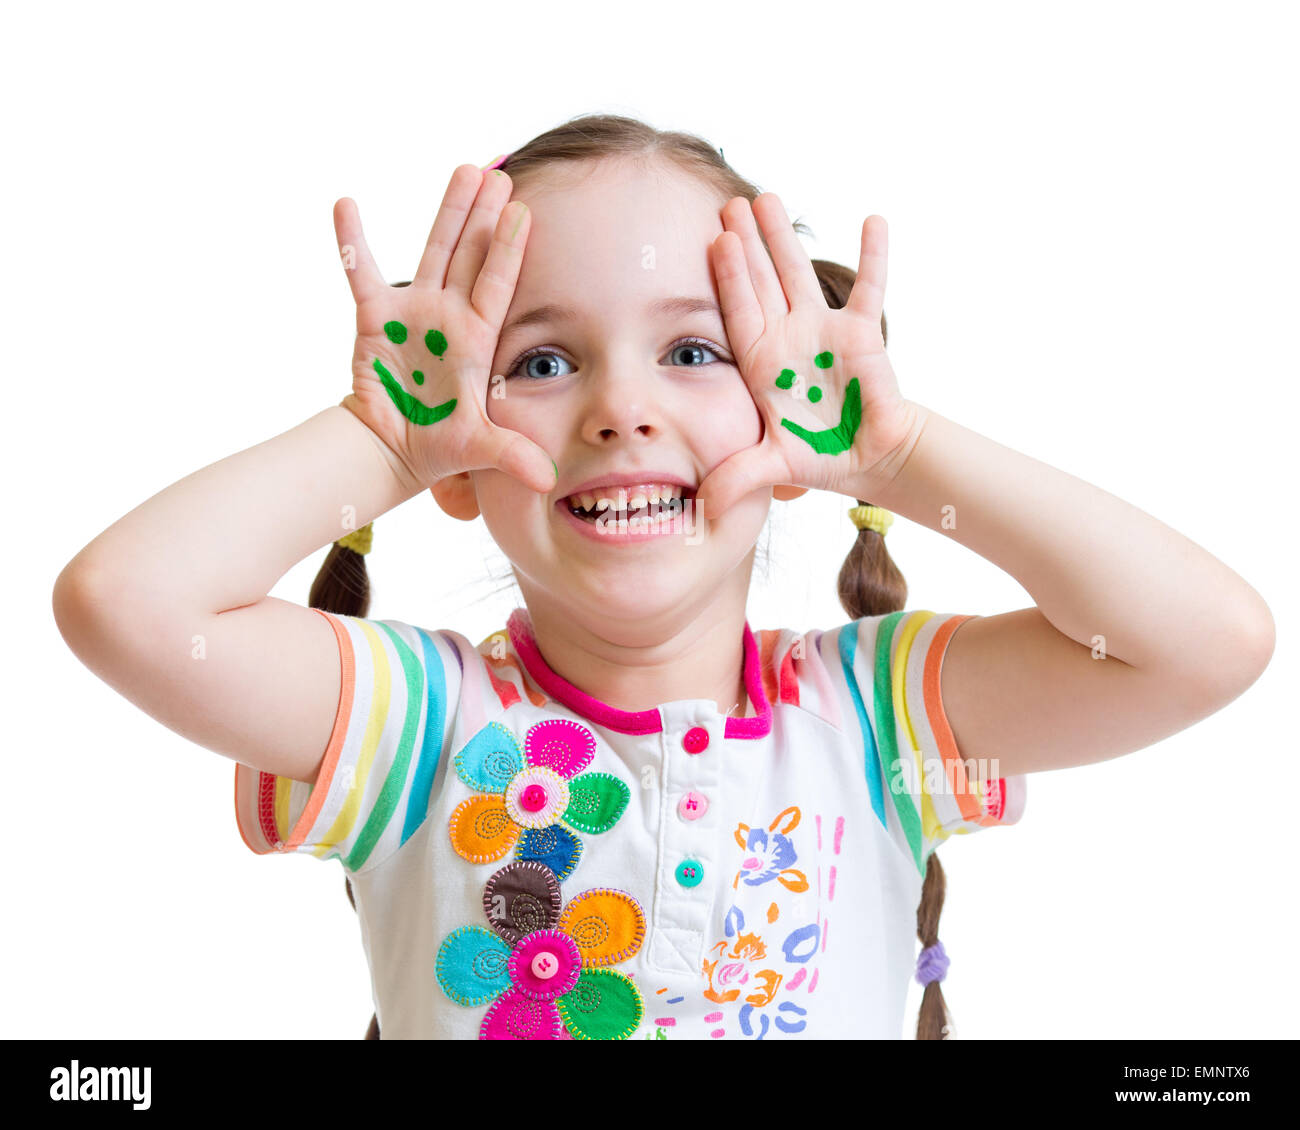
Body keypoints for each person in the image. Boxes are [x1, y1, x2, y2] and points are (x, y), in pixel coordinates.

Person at [52, 113, 1275, 1040]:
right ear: (461, 463)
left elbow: (1205, 642)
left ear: (789, 433)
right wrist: (378, 439)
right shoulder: (410, 724)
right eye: (540, 361)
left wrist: (896, 455)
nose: (620, 408)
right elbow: (127, 602)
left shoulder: (880, 719)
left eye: (693, 349)